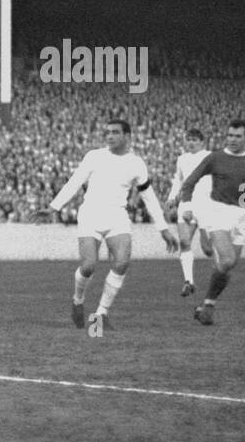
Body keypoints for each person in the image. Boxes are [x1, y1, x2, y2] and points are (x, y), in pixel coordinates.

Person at [33, 119, 177, 329]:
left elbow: (149, 197)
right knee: (89, 265)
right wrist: (54, 207)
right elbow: (75, 182)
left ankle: (100, 315)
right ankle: (78, 300)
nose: (109, 136)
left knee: (122, 262)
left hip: (117, 216)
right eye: (107, 132)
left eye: (115, 132)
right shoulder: (94, 156)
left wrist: (163, 228)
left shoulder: (136, 163)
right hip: (90, 214)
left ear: (127, 136)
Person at [178, 119, 245, 325]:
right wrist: (186, 206)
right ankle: (208, 305)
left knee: (227, 267)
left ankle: (206, 306)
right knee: (228, 260)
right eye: (230, 135)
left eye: (237, 136)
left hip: (241, 215)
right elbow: (190, 182)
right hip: (217, 212)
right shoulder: (216, 158)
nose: (232, 139)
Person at [164, 129, 213, 297]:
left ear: (202, 142)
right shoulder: (182, 159)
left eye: (194, 140)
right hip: (186, 203)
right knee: (184, 242)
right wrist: (172, 198)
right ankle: (189, 282)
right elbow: (177, 180)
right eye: (188, 139)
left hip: (206, 205)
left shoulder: (210, 157)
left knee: (207, 249)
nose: (190, 142)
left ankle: (220, 266)